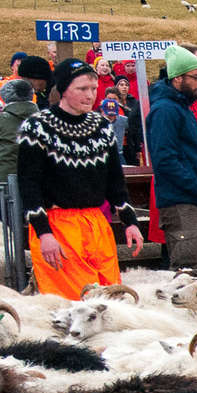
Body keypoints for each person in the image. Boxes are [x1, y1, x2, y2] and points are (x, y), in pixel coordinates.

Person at [16, 59, 143, 297]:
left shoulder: (102, 126)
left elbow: (115, 181)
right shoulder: (37, 127)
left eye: (93, 88)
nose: (90, 95)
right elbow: (29, 184)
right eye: (82, 88)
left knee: (110, 297)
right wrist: (44, 233)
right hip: (58, 224)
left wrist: (131, 221)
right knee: (74, 301)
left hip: (96, 223)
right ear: (64, 89)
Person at [145, 45, 197, 270]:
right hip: (179, 201)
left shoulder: (179, 107)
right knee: (186, 269)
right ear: (178, 78)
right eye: (196, 77)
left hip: (189, 198)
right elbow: (165, 160)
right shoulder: (166, 110)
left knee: (193, 266)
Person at [0, 78, 38, 182]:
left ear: (4, 96)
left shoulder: (2, 120)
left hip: (4, 178)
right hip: (37, 178)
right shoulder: (45, 119)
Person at [115, 75, 143, 166]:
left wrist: (138, 147)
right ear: (116, 87)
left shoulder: (134, 102)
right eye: (121, 84)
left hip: (131, 142)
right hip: (118, 141)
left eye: (126, 85)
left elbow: (138, 124)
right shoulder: (112, 102)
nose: (124, 87)